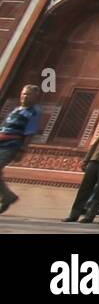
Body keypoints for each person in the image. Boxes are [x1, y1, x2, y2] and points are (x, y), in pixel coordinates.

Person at [0, 85, 43, 215]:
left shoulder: (34, 111)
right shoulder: (17, 110)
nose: (24, 96)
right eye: (23, 94)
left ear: (35, 96)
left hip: (11, 145)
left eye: (28, 94)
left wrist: (22, 149)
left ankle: (7, 196)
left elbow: (30, 132)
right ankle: (8, 196)